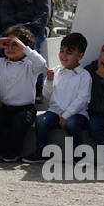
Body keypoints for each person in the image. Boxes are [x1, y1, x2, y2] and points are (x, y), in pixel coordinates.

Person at [0, 26, 46, 163]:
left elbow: (42, 63)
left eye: (15, 45)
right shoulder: (1, 64)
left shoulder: (31, 65)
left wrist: (25, 48)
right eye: (6, 45)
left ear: (25, 47)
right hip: (6, 107)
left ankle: (14, 151)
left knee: (19, 121)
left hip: (26, 108)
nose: (10, 48)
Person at [29, 31, 92, 162]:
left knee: (73, 124)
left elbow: (82, 99)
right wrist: (49, 81)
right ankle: (42, 152)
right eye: (61, 51)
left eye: (68, 53)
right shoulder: (56, 71)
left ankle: (78, 155)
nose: (63, 56)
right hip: (55, 112)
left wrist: (67, 115)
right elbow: (46, 96)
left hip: (77, 114)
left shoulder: (84, 75)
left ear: (80, 55)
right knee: (41, 121)